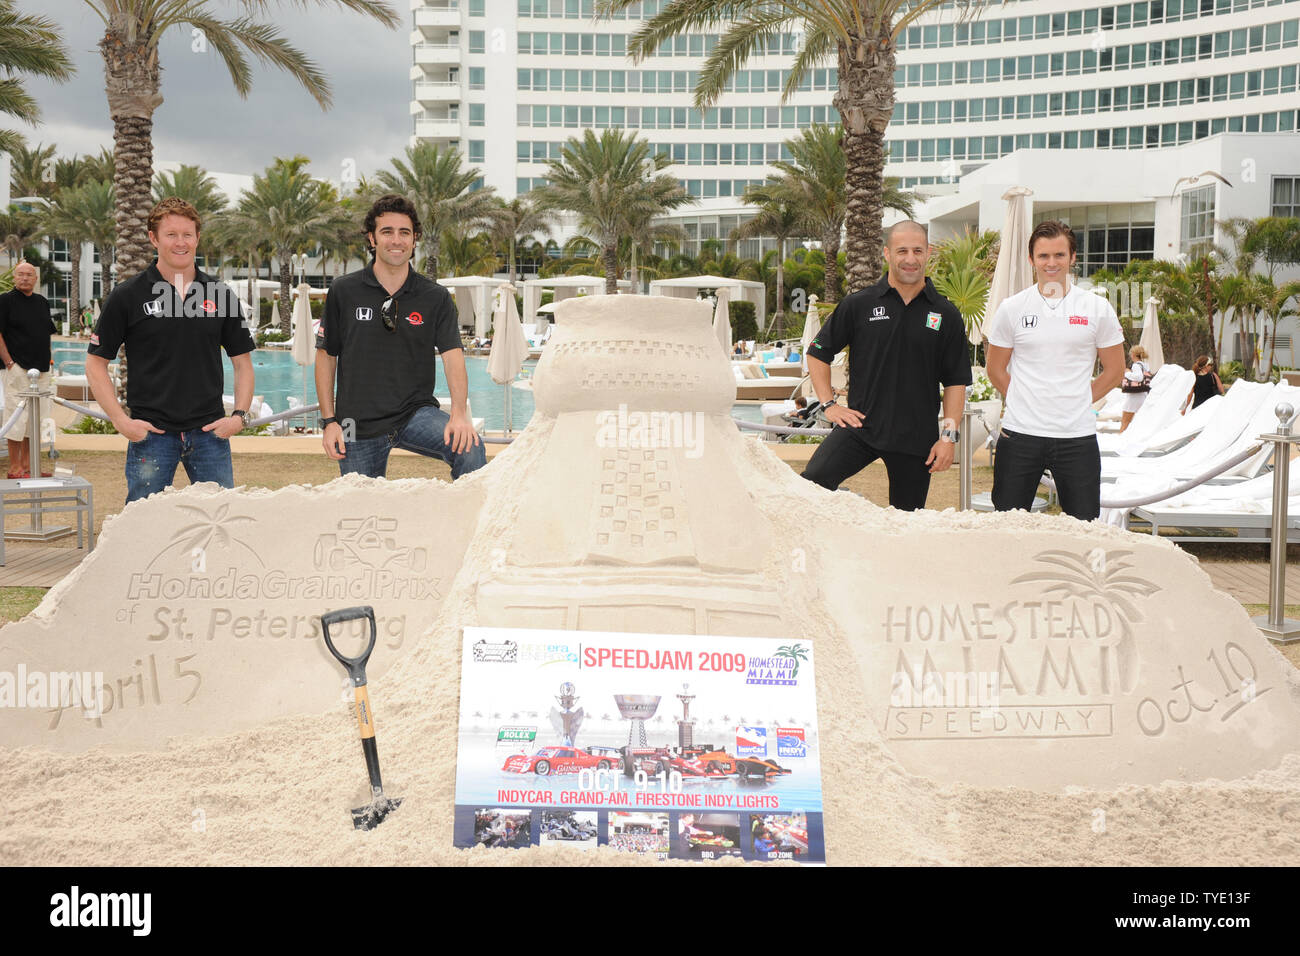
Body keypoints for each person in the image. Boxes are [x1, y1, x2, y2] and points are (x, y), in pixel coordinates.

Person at [87, 198, 256, 503]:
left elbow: (242, 363)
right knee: (143, 528)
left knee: (220, 524)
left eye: (187, 235)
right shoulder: (128, 296)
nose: (181, 243)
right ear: (153, 238)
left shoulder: (220, 294)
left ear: (198, 238)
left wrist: (239, 417)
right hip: (151, 435)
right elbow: (95, 363)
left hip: (210, 435)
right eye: (171, 235)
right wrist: (121, 421)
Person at [800, 220, 972, 510]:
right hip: (861, 426)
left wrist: (948, 436)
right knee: (811, 483)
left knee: (906, 522)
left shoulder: (945, 313)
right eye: (902, 250)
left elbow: (955, 381)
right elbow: (818, 353)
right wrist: (830, 405)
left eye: (917, 250)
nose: (910, 259)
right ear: (887, 254)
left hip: (916, 438)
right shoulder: (859, 304)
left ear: (928, 253)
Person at [316, 193, 485, 479]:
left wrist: (458, 415)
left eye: (404, 232)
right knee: (361, 509)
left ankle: (465, 521)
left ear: (415, 238)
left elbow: (453, 357)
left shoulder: (435, 297)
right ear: (372, 239)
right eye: (387, 232)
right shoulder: (344, 291)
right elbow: (326, 356)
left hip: (414, 414)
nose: (396, 240)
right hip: (355, 422)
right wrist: (329, 421)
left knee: (470, 448)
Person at [986, 220, 1126, 520]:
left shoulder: (1097, 308)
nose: (1051, 263)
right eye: (1043, 256)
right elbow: (995, 370)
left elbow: (1115, 371)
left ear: (1073, 257)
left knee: (1083, 526)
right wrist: (1028, 400)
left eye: (1059, 255)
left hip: (1076, 437)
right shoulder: (1012, 308)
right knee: (1007, 526)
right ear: (1031, 259)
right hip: (1019, 436)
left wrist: (1076, 401)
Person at [0, 261, 57, 478]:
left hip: (41, 369)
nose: (25, 278)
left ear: (35, 279)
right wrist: (9, 363)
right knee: (16, 417)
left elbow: (46, 333)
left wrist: (49, 360)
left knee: (36, 418)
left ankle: (29, 464)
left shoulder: (42, 302)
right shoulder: (5, 301)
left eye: (29, 275)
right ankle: (15, 467)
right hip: (16, 368)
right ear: (15, 277)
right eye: (20, 274)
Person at [1119, 344, 1151, 432]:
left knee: (1125, 421)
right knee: (1138, 422)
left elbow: (1139, 377)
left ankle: (1120, 440)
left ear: (1133, 354)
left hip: (1134, 397)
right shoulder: (1145, 365)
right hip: (1143, 395)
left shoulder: (1136, 365)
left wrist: (1126, 373)